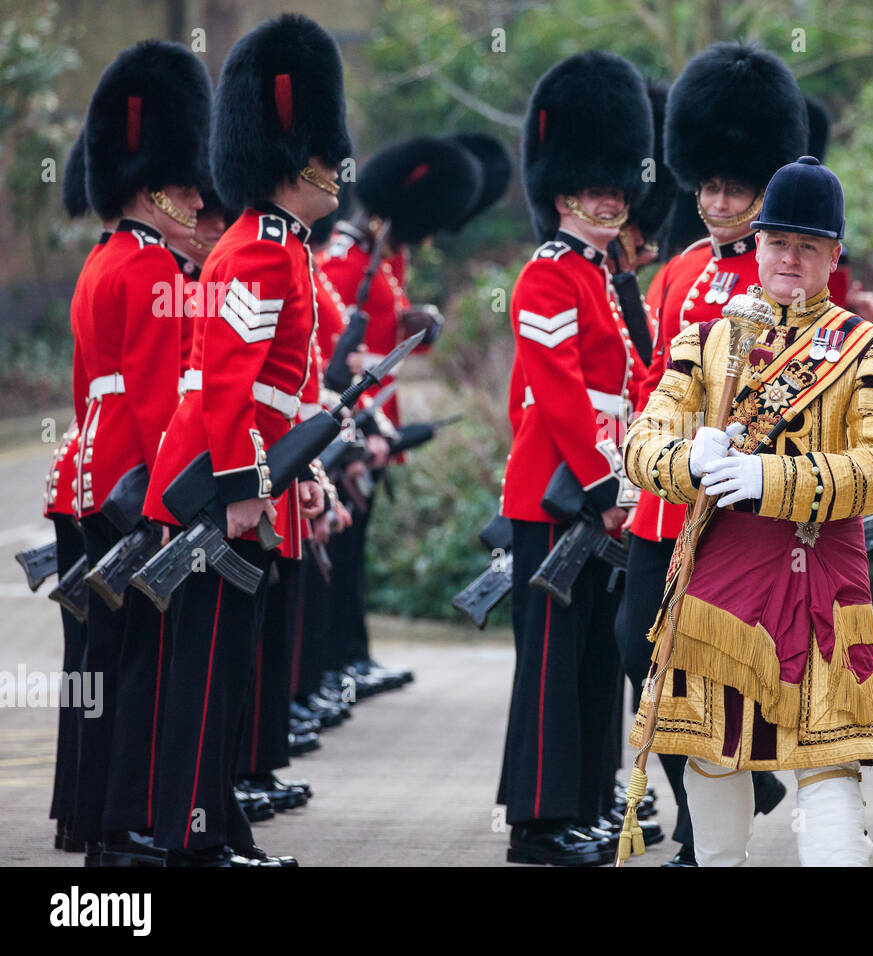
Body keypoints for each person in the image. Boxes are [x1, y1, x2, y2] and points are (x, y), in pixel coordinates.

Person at [625, 155, 873, 866]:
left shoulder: (871, 354)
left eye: (807, 247)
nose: (790, 259)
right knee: (713, 760)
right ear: (756, 243)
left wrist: (770, 478)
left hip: (817, 584)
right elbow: (641, 442)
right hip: (717, 587)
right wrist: (687, 460)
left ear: (833, 256)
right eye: (778, 242)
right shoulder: (705, 341)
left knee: (826, 766)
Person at [142, 13, 350, 867]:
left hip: (247, 482)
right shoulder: (259, 255)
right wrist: (239, 490)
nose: (337, 168)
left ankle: (217, 827)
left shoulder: (283, 248)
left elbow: (278, 390)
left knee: (228, 678)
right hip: (212, 492)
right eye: (326, 155)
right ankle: (190, 843)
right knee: (203, 679)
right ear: (291, 158)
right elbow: (226, 388)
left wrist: (288, 476)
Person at [614, 41, 808, 867]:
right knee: (636, 649)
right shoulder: (683, 269)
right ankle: (745, 785)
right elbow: (654, 378)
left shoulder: (787, 276)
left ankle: (702, 844)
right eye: (707, 184)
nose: (715, 200)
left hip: (729, 508)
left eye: (732, 186)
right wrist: (637, 469)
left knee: (702, 677)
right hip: (666, 496)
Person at [497, 50, 652, 867]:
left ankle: (585, 804)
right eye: (598, 189)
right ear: (562, 193)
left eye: (619, 189)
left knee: (591, 660)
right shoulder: (548, 277)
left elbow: (630, 384)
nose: (612, 199)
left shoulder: (599, 277)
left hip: (600, 491)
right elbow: (557, 396)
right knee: (553, 665)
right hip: (556, 498)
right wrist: (600, 488)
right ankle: (537, 823)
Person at [74, 40, 211, 868]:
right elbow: (164, 401)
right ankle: (129, 828)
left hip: (97, 478)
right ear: (152, 186)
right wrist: (174, 501)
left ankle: (101, 819)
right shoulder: (154, 269)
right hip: (142, 488)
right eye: (188, 187)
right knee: (142, 668)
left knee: (106, 660)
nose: (199, 199)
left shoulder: (103, 262)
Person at [316, 135, 482, 695]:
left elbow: (386, 346)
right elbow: (337, 362)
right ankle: (338, 661)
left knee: (355, 547)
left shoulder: (383, 260)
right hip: (351, 426)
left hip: (376, 419)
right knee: (339, 552)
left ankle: (354, 656)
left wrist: (417, 326)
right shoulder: (343, 263)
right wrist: (366, 427)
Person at [44, 127, 106, 857]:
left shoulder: (98, 263)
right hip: (110, 483)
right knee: (99, 663)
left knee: (85, 663)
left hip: (83, 473)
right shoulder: (134, 269)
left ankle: (75, 807)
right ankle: (88, 810)